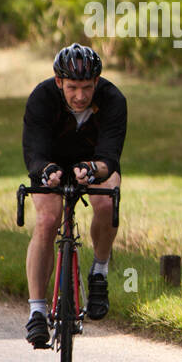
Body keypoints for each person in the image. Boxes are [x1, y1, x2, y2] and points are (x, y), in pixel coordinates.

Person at [21, 44, 127, 346]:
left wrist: (93, 169)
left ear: (97, 82)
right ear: (59, 82)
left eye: (87, 87)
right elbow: (34, 152)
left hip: (94, 163)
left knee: (106, 201)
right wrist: (47, 170)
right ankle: (37, 311)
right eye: (72, 88)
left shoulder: (113, 99)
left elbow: (110, 157)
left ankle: (99, 272)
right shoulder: (42, 98)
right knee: (47, 219)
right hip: (50, 163)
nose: (80, 96)